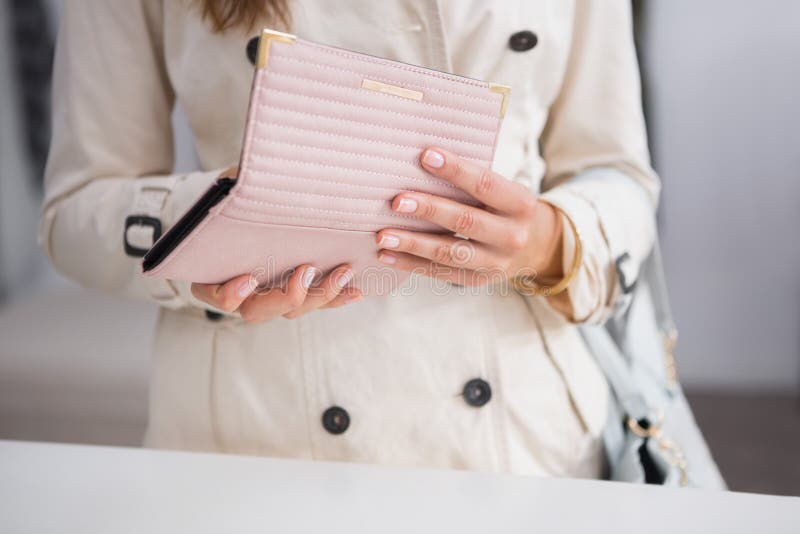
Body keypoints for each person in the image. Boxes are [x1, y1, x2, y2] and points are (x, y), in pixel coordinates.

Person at [41, 0, 658, 478]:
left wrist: (552, 241)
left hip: (523, 439)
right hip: (260, 432)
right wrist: (214, 219)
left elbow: (619, 171)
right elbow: (75, 209)